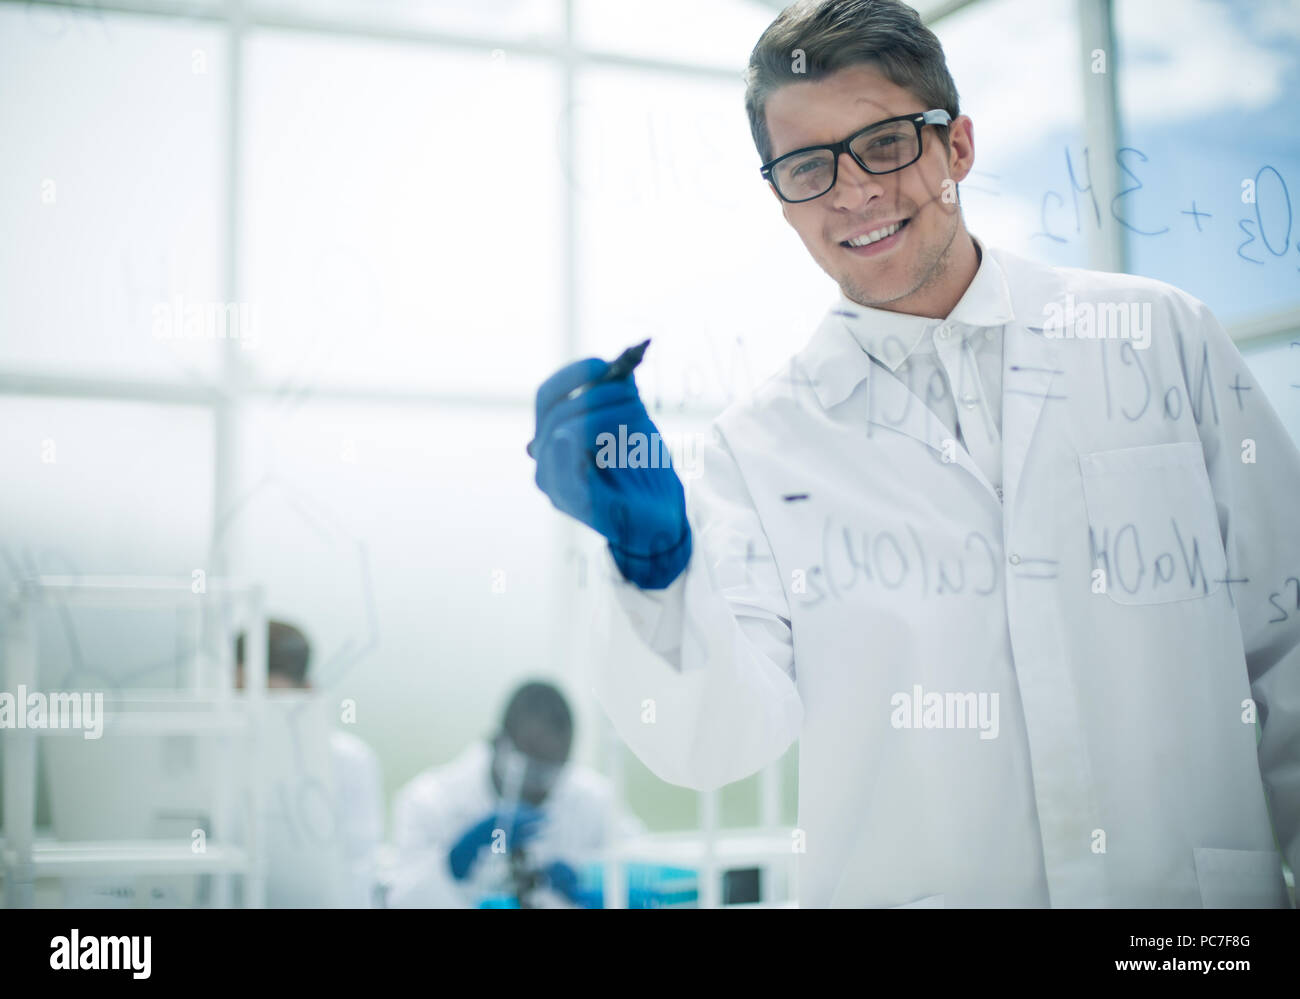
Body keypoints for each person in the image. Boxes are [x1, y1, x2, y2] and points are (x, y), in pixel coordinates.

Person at [530, 0, 1300, 908]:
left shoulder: (1159, 335)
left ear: (958, 146)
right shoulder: (763, 447)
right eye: (808, 165)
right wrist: (656, 566)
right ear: (780, 196)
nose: (853, 191)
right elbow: (719, 739)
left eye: (885, 143)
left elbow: (1285, 647)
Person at [389, 681, 643, 908]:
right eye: (531, 771)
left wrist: (590, 882)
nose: (542, 787)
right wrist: (454, 863)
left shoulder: (592, 799)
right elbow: (400, 901)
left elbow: (642, 867)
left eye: (553, 772)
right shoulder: (430, 801)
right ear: (498, 743)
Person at [235, 621, 384, 907]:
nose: (255, 717)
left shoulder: (348, 761)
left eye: (270, 700)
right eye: (240, 696)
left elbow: (357, 874)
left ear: (307, 692)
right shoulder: (210, 754)